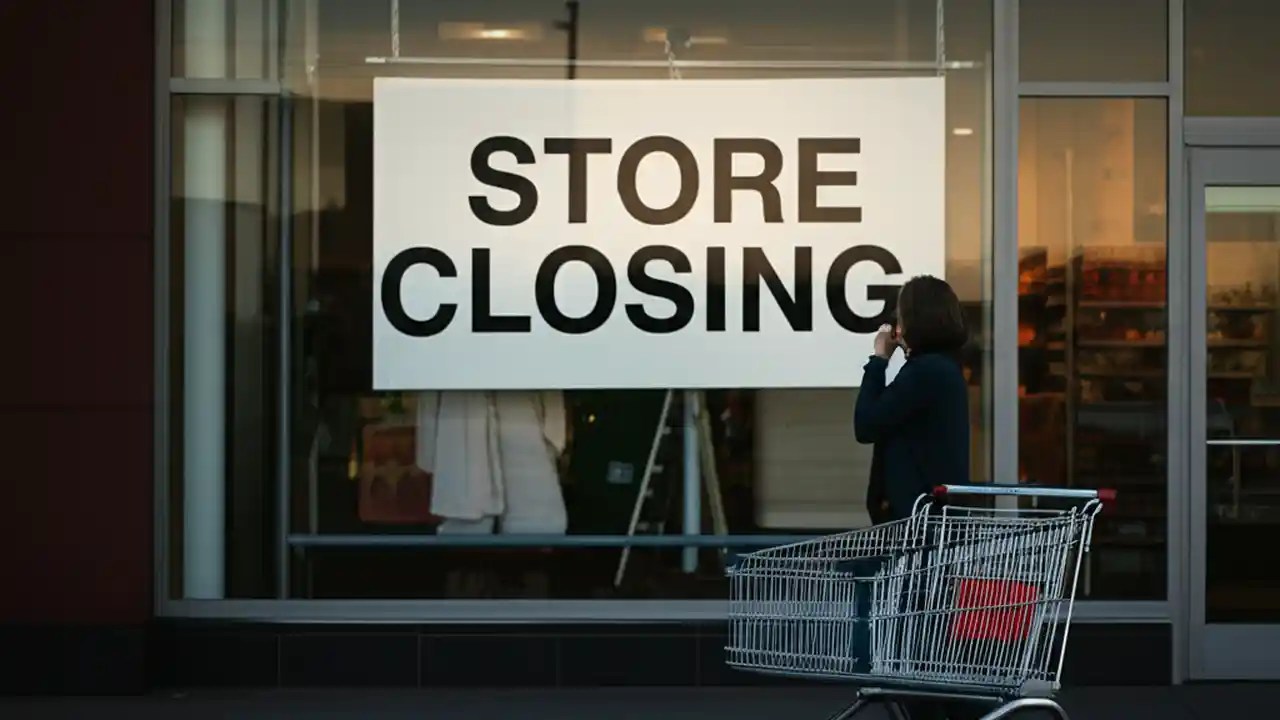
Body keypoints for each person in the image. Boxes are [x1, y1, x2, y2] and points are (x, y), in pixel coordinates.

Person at [854, 275, 976, 720]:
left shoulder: (927, 373)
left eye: (901, 317)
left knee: (921, 651)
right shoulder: (939, 371)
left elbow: (866, 424)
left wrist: (876, 359)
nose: (896, 326)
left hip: (923, 532)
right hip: (926, 528)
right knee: (924, 650)